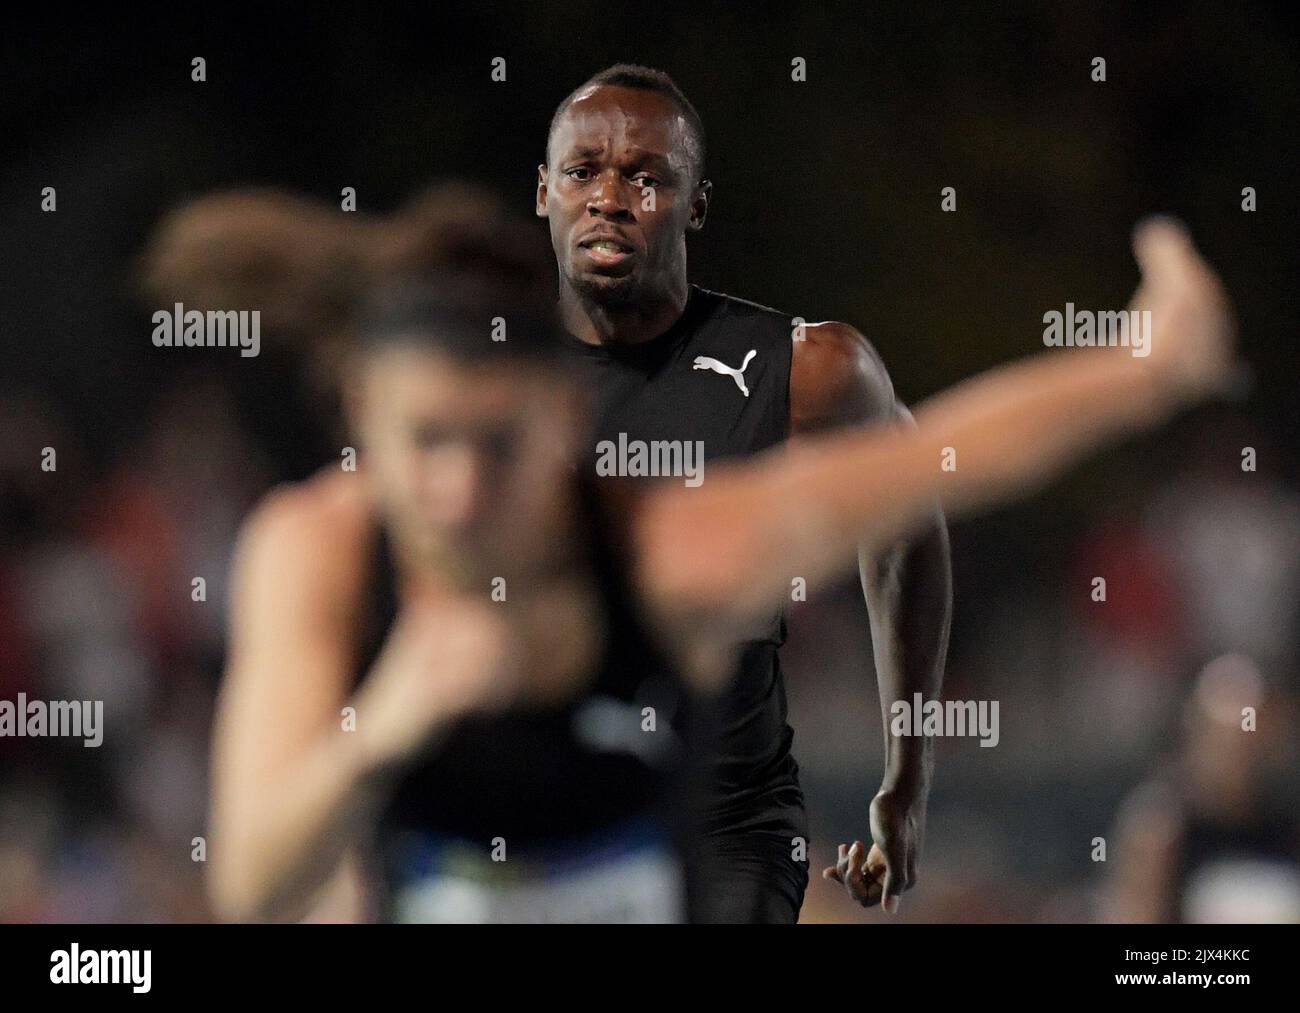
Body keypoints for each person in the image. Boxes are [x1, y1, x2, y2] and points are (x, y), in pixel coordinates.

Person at [207, 210, 1237, 923]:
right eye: (425, 442)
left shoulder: (672, 551)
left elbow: (939, 458)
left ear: (565, 416)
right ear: (363, 425)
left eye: (498, 447)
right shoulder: (320, 553)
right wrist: (381, 725)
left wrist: (1149, 370)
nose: (462, 492)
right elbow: (251, 884)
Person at [537, 64, 952, 920]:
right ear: (544, 192)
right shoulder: (494, 386)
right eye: (584, 171)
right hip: (550, 820)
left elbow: (908, 527)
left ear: (695, 204)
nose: (610, 197)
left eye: (646, 177)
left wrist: (907, 777)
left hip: (729, 825)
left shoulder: (809, 373)